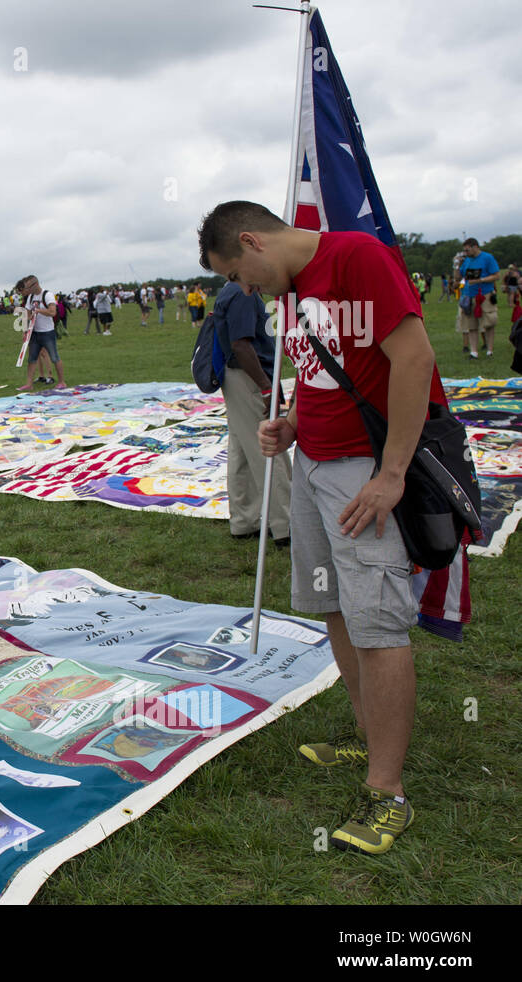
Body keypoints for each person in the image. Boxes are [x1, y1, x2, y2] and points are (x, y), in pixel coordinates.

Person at [199, 199, 437, 855]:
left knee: (377, 622)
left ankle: (386, 790)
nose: (246, 291)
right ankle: (368, 737)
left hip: (362, 471)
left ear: (253, 240)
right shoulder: (295, 287)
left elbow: (414, 358)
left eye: (242, 277)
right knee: (333, 607)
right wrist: (295, 422)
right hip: (313, 466)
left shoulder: (355, 256)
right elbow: (318, 364)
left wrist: (390, 474)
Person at [211, 279, 290, 545]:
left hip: (238, 377)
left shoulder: (230, 290)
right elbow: (241, 345)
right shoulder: (241, 293)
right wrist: (267, 388)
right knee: (268, 448)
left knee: (242, 451)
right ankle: (286, 524)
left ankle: (246, 519)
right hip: (248, 378)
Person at [16, 275, 67, 390]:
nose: (27, 289)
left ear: (35, 285)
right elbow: (27, 314)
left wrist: (38, 310)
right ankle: (29, 384)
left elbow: (52, 312)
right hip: (34, 333)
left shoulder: (47, 295)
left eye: (29, 287)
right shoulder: (30, 297)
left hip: (47, 332)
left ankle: (62, 382)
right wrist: (25, 330)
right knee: (32, 359)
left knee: (54, 357)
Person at [459, 237, 499, 359]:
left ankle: (489, 350)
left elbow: (496, 275)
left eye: (467, 250)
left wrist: (480, 280)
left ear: (475, 247)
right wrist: (456, 265)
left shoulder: (487, 258)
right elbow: (459, 276)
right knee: (471, 325)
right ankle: (474, 352)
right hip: (469, 295)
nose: (466, 253)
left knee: (489, 323)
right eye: (464, 251)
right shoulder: (467, 261)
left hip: (485, 295)